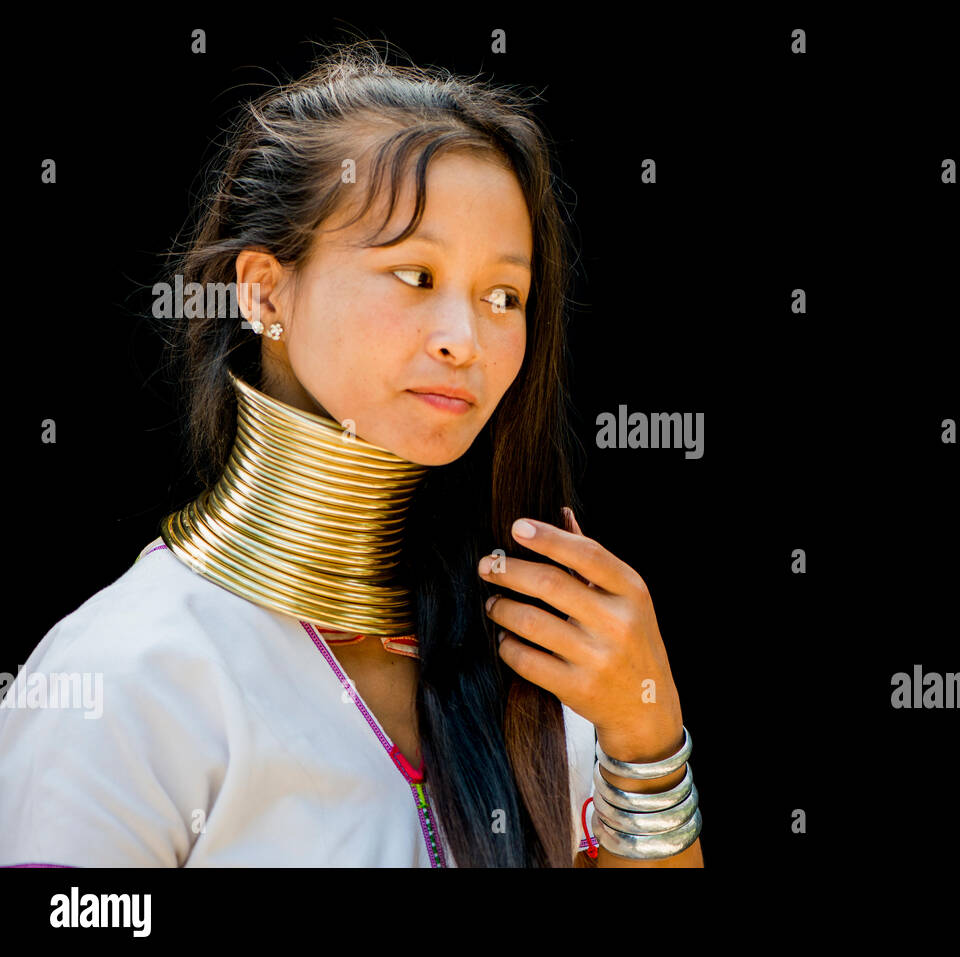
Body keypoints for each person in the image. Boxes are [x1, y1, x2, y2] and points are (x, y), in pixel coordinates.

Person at [0, 40, 702, 868]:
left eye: (502, 295)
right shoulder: (125, 678)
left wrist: (646, 742)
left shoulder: (547, 666)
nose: (464, 340)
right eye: (414, 276)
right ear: (264, 290)